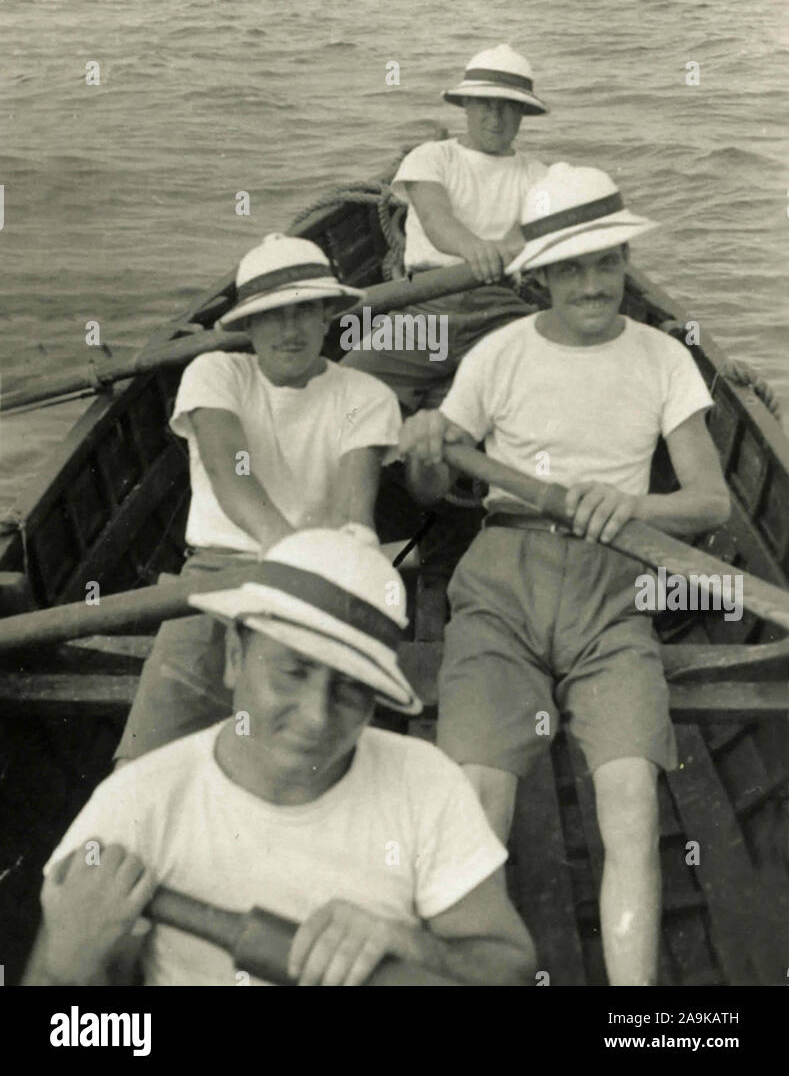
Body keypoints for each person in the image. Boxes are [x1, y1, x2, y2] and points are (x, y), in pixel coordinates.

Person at [399, 163, 732, 987]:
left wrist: (627, 505)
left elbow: (709, 503)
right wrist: (427, 455)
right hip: (500, 588)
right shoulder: (497, 354)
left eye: (608, 261)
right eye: (573, 267)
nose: (594, 283)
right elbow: (433, 494)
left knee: (629, 805)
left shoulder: (663, 359)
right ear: (540, 276)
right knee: (479, 809)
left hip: (614, 593)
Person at [23, 529, 535, 988]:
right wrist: (71, 968)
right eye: (293, 671)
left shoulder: (426, 784)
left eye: (350, 689)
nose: (316, 717)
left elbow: (508, 970)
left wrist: (406, 942)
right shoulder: (136, 805)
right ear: (235, 658)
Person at [114, 234, 402, 762]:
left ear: (328, 316)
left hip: (322, 581)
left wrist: (314, 572)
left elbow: (352, 513)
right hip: (216, 575)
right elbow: (232, 478)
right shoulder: (214, 374)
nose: (290, 330)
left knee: (313, 757)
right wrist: (286, 553)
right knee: (141, 763)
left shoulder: (367, 396)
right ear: (248, 325)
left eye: (304, 311)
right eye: (272, 316)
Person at [342, 44, 550, 413]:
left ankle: (451, 405)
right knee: (343, 393)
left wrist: (502, 254)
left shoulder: (539, 176)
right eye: (485, 104)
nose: (496, 117)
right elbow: (438, 221)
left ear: (522, 113)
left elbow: (526, 232)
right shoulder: (431, 157)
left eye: (508, 106)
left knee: (549, 390)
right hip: (423, 308)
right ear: (466, 105)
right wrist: (476, 251)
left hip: (499, 310)